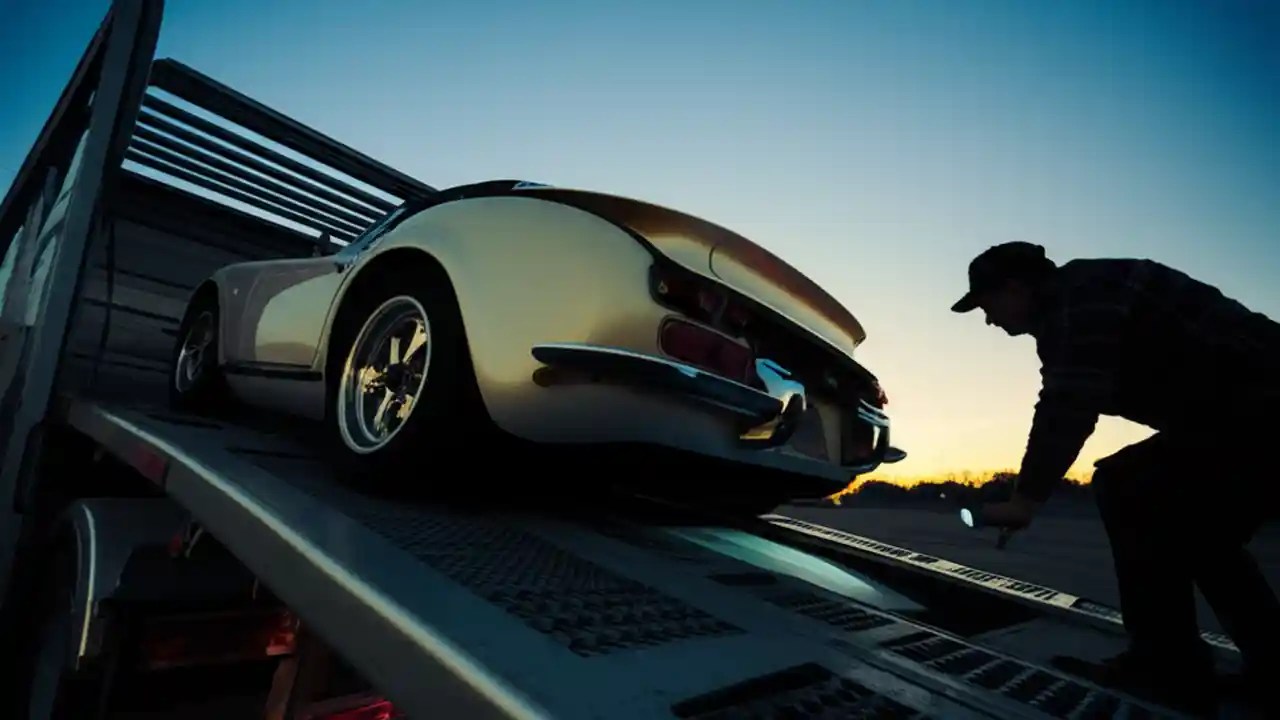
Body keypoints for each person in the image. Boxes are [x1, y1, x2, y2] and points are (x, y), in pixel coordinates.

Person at [951, 241, 1280, 715]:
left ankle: (1166, 664)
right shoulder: (1072, 309)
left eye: (987, 305)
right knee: (1199, 531)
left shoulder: (1083, 297)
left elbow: (1067, 404)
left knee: (1128, 486)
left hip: (1267, 408)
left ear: (1016, 288)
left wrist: (1027, 500)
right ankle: (1263, 669)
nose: (988, 320)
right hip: (1243, 419)